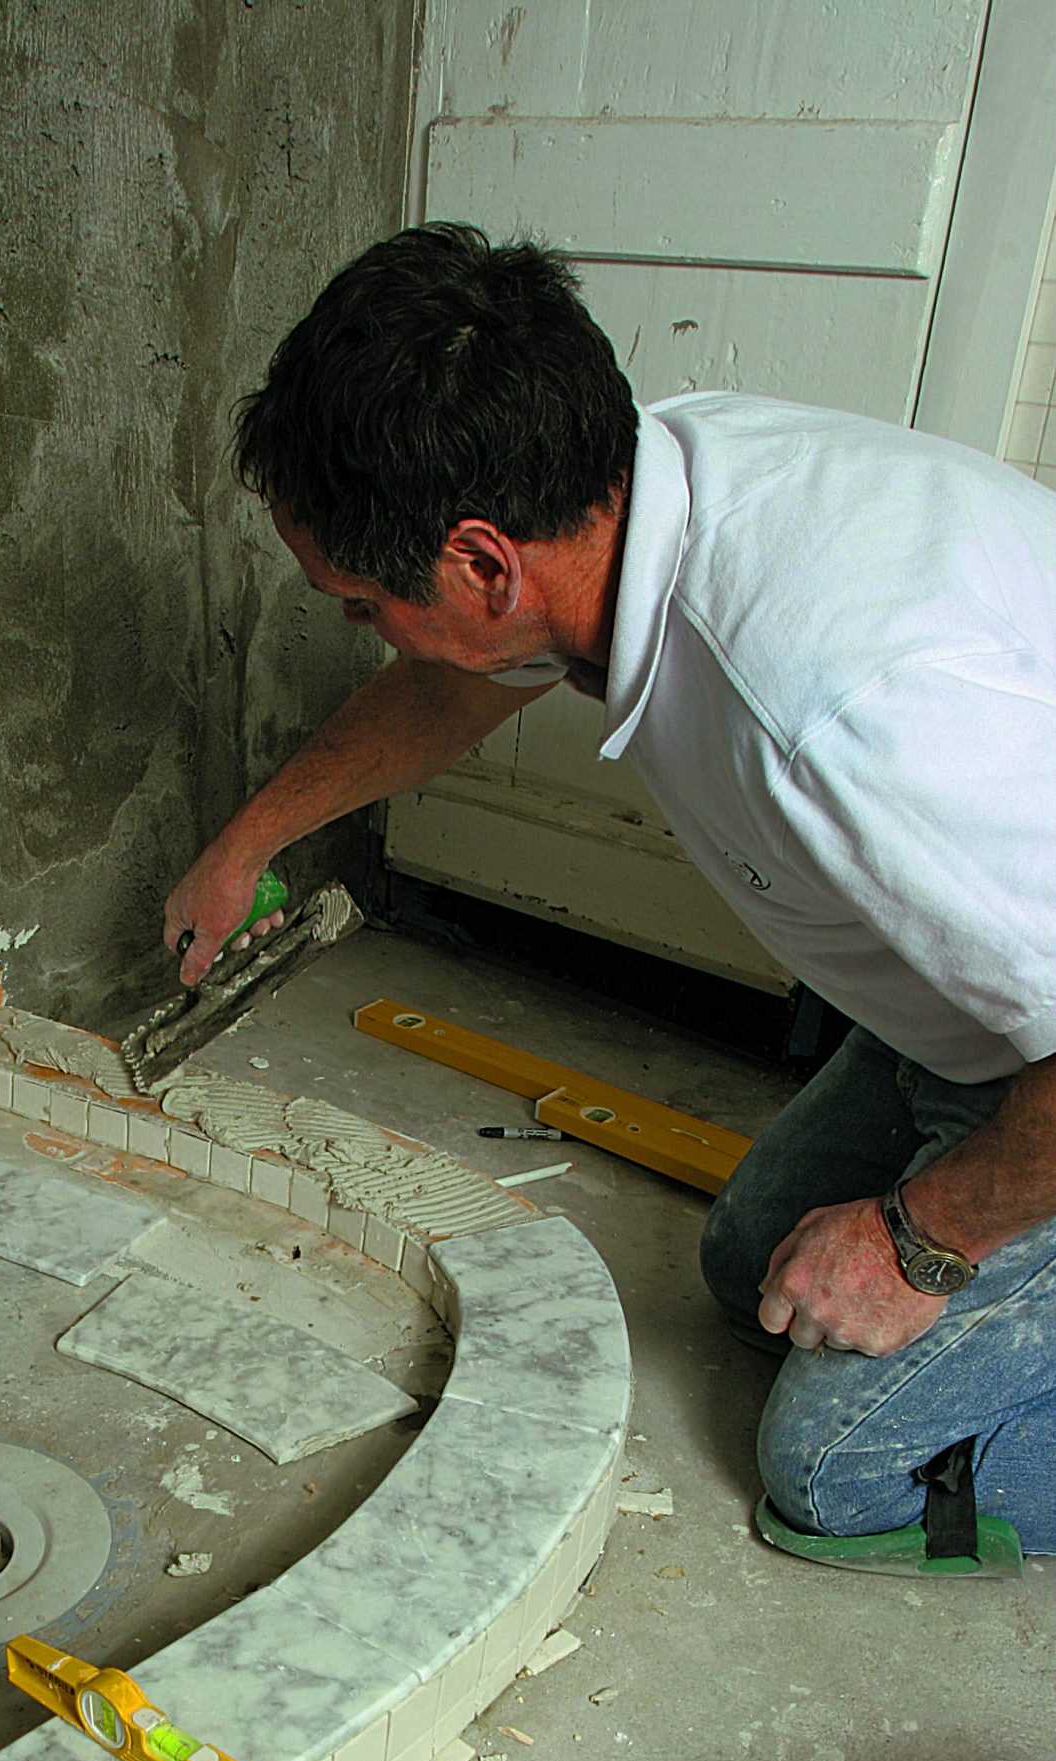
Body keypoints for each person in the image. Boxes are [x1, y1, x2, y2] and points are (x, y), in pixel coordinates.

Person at [163, 223, 1056, 1585]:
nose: (363, 629)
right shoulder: (637, 488)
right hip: (976, 1028)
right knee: (758, 1273)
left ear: (478, 564)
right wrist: (252, 839)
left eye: (360, 603)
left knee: (838, 1471)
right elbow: (460, 678)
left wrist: (923, 1239)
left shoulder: (840, 710)